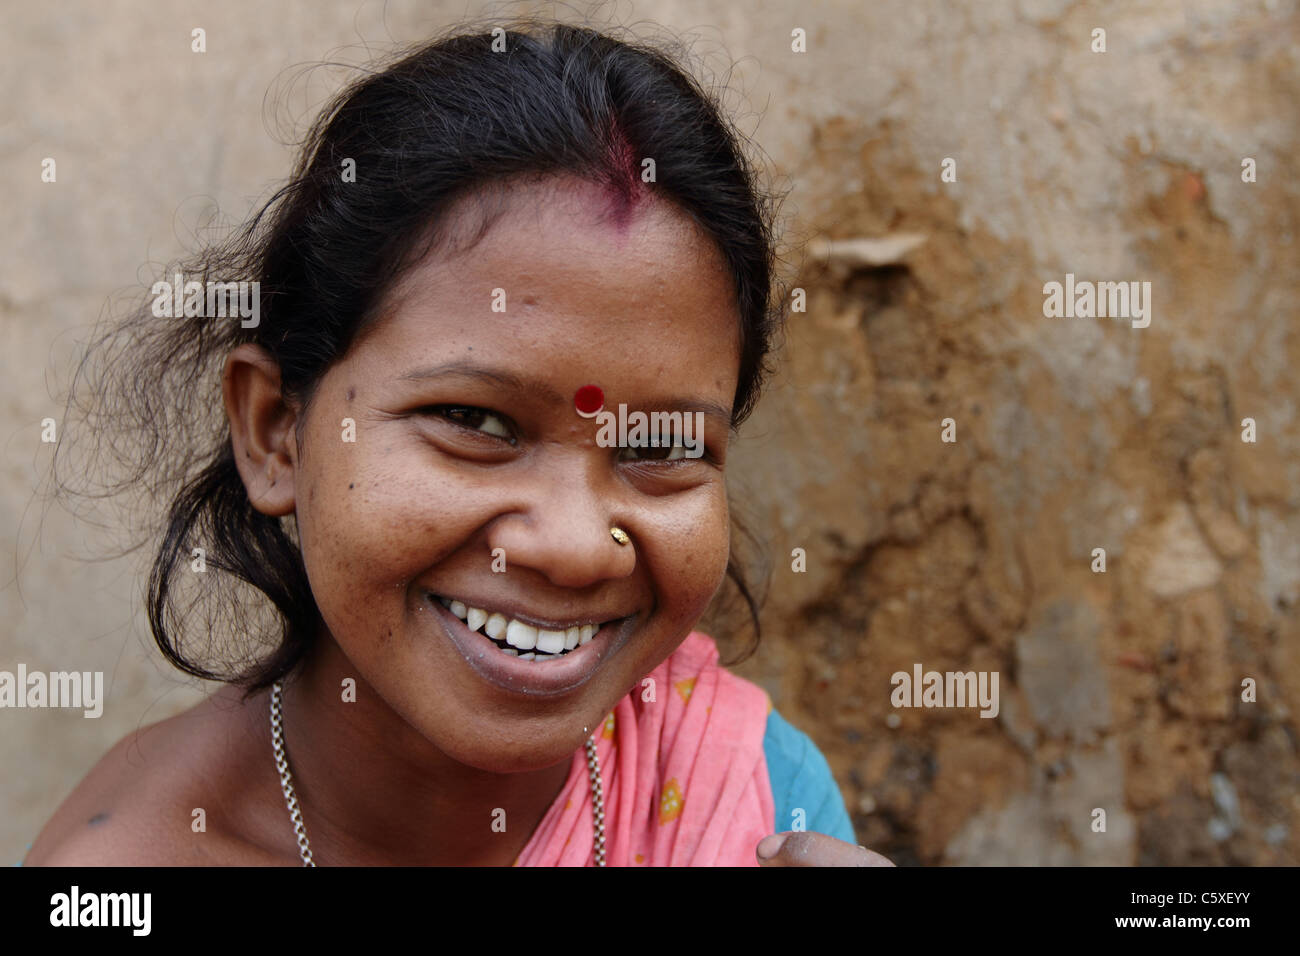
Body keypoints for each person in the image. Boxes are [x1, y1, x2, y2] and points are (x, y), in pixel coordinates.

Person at [25, 18, 893, 867]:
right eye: (476, 423)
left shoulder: (754, 796)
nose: (575, 545)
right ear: (274, 433)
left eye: (660, 444)